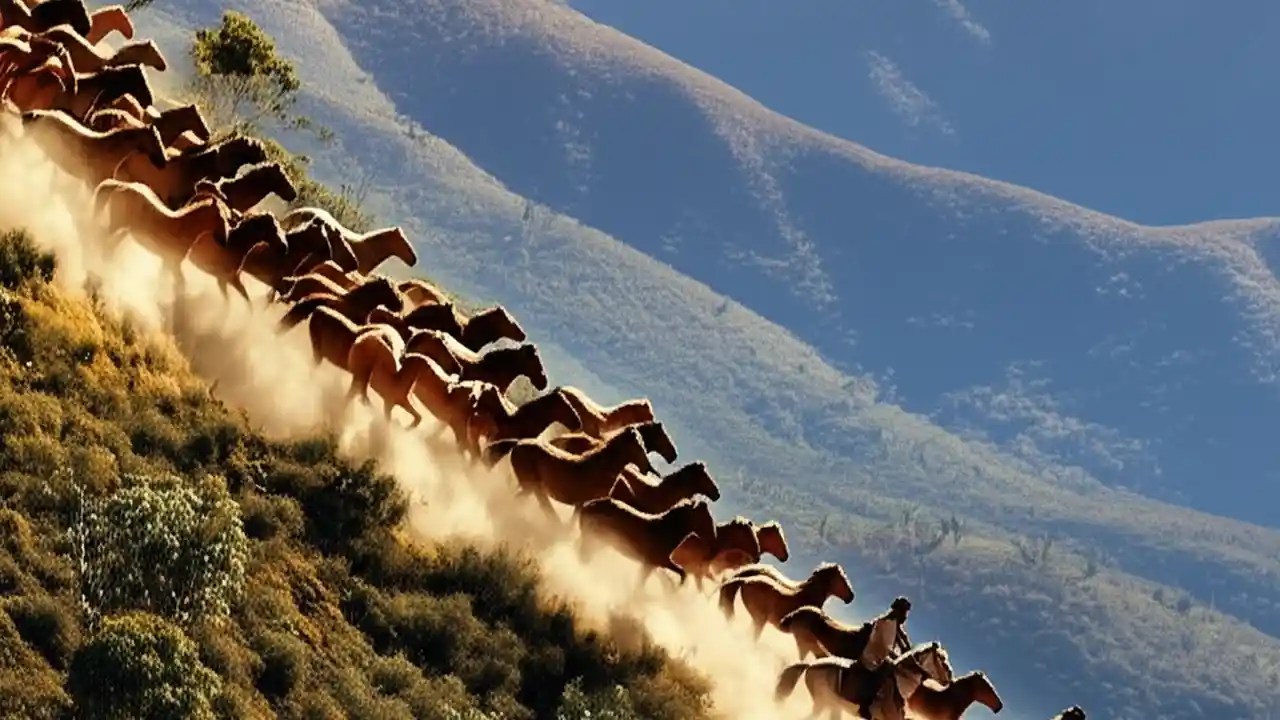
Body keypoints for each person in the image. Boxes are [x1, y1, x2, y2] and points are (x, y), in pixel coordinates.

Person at [855, 597, 913, 720]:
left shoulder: (897, 629)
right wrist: (899, 658)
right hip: (873, 656)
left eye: (906, 613)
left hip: (882, 657)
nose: (905, 616)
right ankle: (865, 704)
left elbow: (905, 648)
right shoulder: (885, 622)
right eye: (903, 612)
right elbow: (885, 647)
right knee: (885, 671)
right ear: (897, 611)